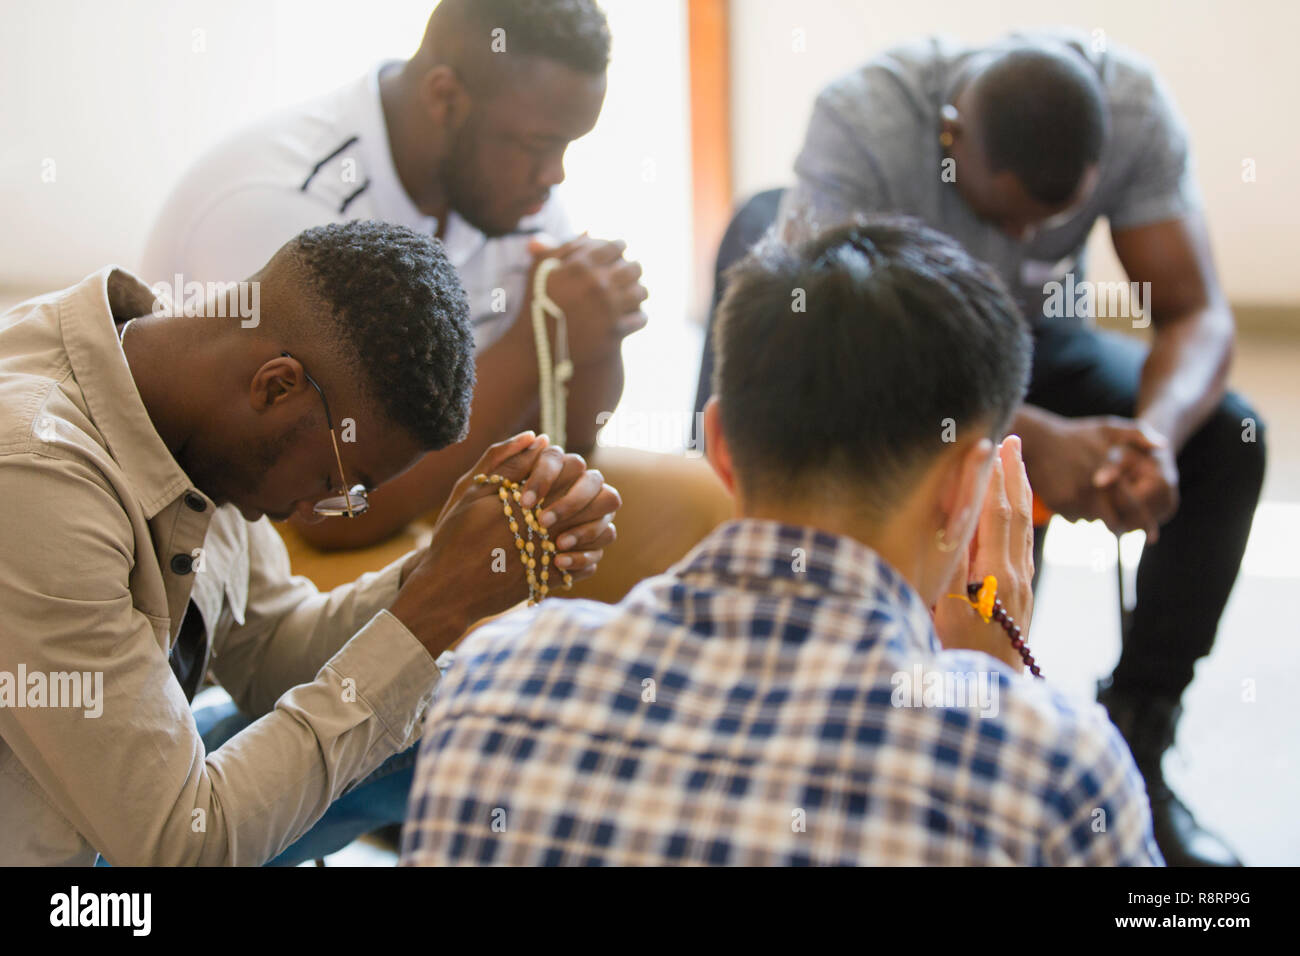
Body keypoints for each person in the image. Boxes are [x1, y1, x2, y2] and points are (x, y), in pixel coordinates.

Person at [400, 219, 1162, 866]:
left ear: (721, 444)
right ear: (968, 488)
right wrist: (990, 696)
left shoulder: (490, 684)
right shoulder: (1055, 770)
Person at [749, 31, 1263, 865]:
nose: (1027, 239)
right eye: (1008, 214)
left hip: (1037, 341)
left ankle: (1139, 733)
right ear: (951, 137)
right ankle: (907, 727)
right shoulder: (865, 118)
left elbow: (1195, 310)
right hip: (891, 352)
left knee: (1228, 443)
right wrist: (1022, 436)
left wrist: (1151, 440)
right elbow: (825, 347)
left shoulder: (1133, 110)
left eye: (1053, 222)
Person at [0, 220, 620, 865]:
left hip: (145, 814)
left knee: (481, 705)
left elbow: (267, 653)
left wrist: (435, 574)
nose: (318, 517)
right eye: (332, 482)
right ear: (277, 386)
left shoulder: (184, 407)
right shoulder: (33, 474)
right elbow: (180, 846)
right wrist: (432, 611)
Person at [141, 0, 647, 550]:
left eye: (570, 144)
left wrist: (595, 330)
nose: (555, 174)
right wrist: (534, 343)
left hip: (404, 530)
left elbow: (566, 438)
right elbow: (326, 509)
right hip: (235, 558)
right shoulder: (282, 203)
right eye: (538, 145)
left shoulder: (509, 192)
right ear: (444, 96)